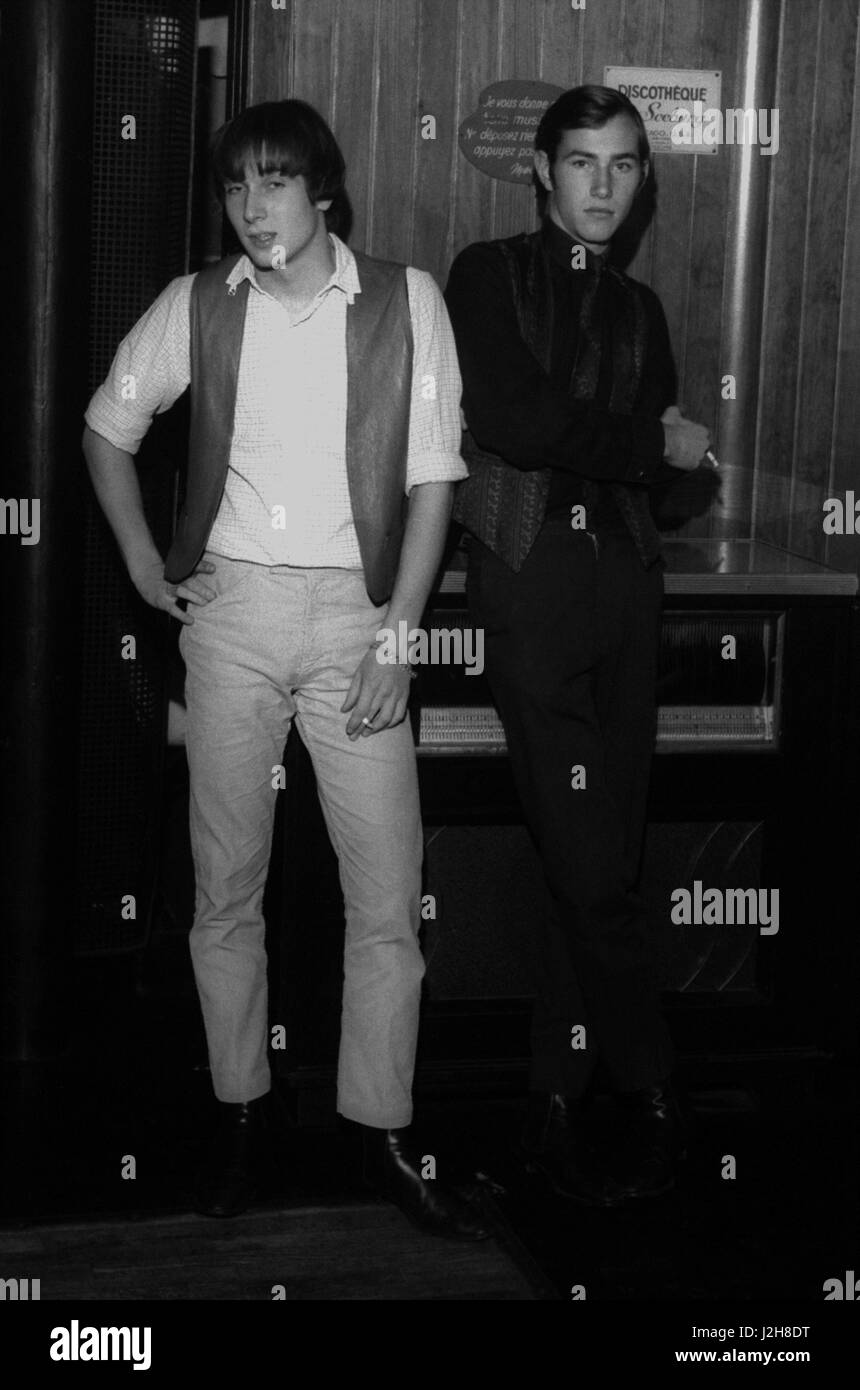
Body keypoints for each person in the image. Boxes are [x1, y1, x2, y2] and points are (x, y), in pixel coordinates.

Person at [82, 98, 488, 1240]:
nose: (252, 207)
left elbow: (434, 481)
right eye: (235, 186)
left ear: (324, 193)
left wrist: (399, 637)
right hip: (232, 615)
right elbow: (105, 429)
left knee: (384, 895)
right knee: (223, 890)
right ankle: (241, 1116)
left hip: (360, 619)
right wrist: (142, 566)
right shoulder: (197, 305)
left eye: (274, 182)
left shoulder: (406, 301)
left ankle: (380, 1128)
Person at [444, 85, 711, 1205]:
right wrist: (654, 455)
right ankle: (650, 1078)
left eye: (623, 166)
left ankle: (553, 1090)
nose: (602, 186)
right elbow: (513, 418)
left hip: (624, 586)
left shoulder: (642, 312)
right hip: (533, 579)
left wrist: (669, 465)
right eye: (582, 163)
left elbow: (672, 475)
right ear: (540, 172)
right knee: (586, 845)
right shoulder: (485, 272)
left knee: (598, 839)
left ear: (640, 181)